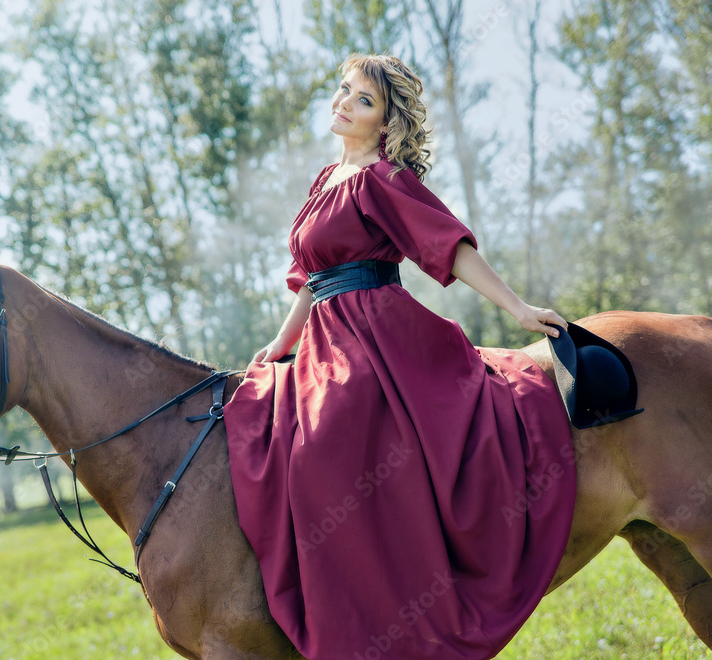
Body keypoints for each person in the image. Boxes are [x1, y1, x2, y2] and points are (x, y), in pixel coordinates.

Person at [223, 54, 578, 659]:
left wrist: (519, 310)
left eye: (363, 99)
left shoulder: (382, 178)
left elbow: (449, 245)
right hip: (323, 338)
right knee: (259, 417)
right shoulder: (324, 181)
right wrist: (280, 345)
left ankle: (377, 614)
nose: (344, 102)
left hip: (375, 335)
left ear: (386, 122)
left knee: (323, 440)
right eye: (343, 90)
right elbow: (312, 278)